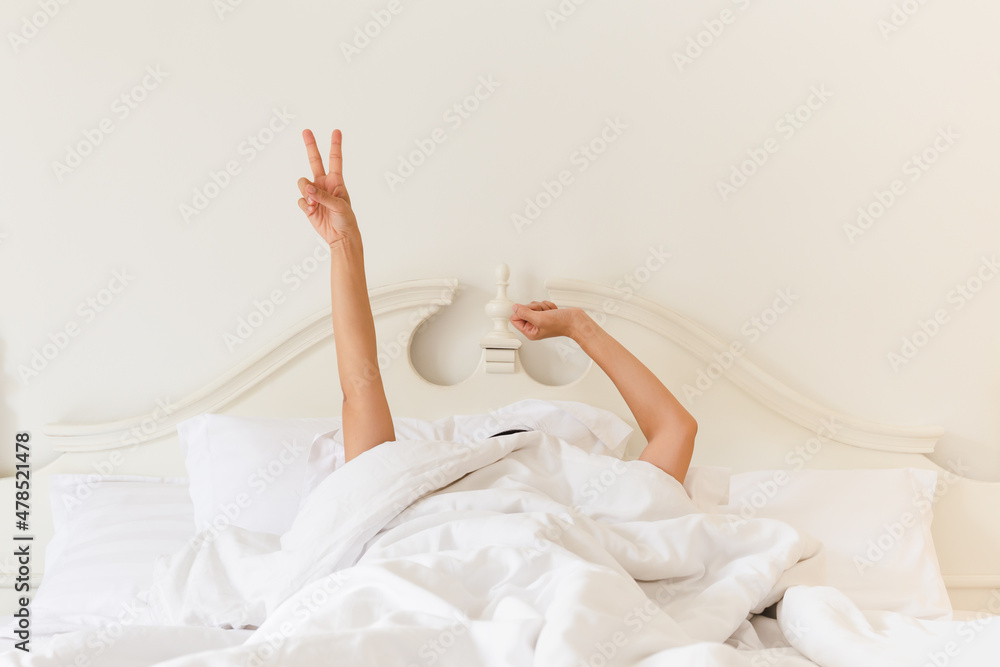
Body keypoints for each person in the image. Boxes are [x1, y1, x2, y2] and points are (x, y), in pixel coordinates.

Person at [296, 129, 697, 484]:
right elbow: (676, 429)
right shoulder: (401, 494)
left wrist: (580, 325)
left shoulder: (591, 508)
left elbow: (359, 390)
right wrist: (343, 244)